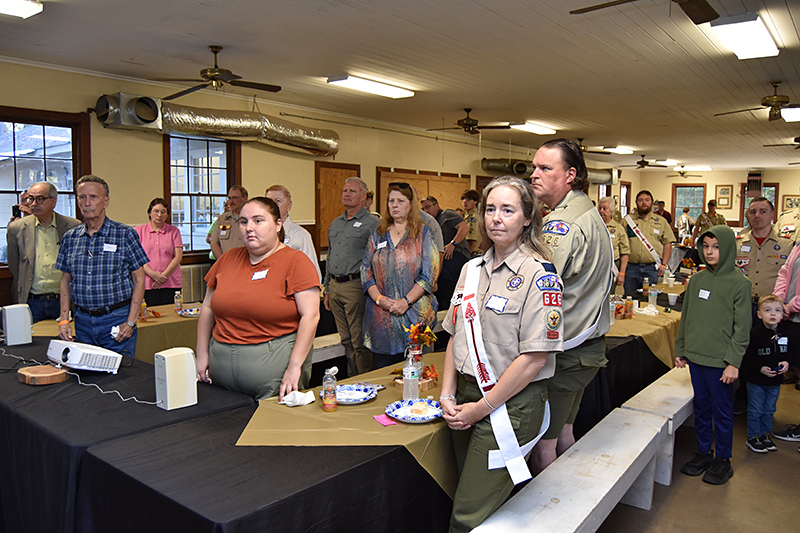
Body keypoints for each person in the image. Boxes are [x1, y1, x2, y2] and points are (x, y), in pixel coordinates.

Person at [439, 176, 563, 533]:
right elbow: (454, 337)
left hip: (511, 404)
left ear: (527, 217)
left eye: (508, 210)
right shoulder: (470, 270)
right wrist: (447, 393)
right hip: (464, 397)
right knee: (483, 501)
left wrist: (482, 407)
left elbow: (534, 359)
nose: (496, 218)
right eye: (490, 209)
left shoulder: (540, 276)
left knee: (467, 516)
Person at [528, 138, 614, 474]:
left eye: (545, 168)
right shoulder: (587, 211)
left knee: (543, 444)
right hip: (585, 348)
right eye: (534, 167)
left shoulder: (561, 226)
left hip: (567, 353)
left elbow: (539, 290)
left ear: (570, 175)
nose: (534, 174)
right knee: (564, 432)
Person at [195, 197, 320, 401]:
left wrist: (294, 366)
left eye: (258, 221)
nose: (249, 228)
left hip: (272, 378)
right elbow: (207, 308)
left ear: (278, 225)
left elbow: (311, 316)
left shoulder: (296, 262)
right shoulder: (227, 259)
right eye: (244, 222)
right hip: (220, 377)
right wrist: (201, 354)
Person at [675, 225, 751, 485]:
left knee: (723, 411)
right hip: (696, 358)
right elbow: (687, 318)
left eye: (716, 247)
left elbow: (742, 329)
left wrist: (733, 362)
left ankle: (723, 459)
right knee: (702, 409)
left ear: (728, 248)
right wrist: (681, 349)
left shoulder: (740, 284)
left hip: (721, 363)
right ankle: (704, 452)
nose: (709, 252)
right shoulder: (697, 279)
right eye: (705, 246)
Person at [55, 175, 149, 356]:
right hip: (83, 322)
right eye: (82, 197)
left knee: (120, 378)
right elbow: (66, 280)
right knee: (86, 377)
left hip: (116, 321)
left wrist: (131, 322)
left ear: (105, 201)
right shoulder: (70, 238)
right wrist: (64, 320)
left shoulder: (125, 235)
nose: (87, 203)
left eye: (93, 197)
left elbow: (139, 279)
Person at [361, 182, 439, 368]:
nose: (394, 205)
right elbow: (365, 269)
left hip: (414, 318)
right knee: (384, 373)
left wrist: (405, 302)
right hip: (381, 319)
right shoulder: (378, 234)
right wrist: (379, 299)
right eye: (391, 201)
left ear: (411, 205)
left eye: (400, 201)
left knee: (417, 374)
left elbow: (429, 275)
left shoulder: (423, 233)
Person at [324, 177, 380, 377]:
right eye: (344, 190)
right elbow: (330, 256)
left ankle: (365, 380)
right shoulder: (336, 223)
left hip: (356, 286)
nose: (346, 194)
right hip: (336, 285)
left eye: (352, 191)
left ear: (363, 196)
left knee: (359, 341)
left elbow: (378, 260)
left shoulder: (373, 224)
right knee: (346, 340)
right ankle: (351, 379)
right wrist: (327, 289)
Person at [6, 181, 80, 322]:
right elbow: (14, 264)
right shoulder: (16, 228)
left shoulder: (72, 226)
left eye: (40, 199)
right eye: (31, 199)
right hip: (32, 300)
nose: (34, 204)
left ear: (53, 201)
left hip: (63, 300)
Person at [740, 295, 790, 453]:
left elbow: (788, 353)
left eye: (777, 311)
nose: (773, 314)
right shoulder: (754, 334)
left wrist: (786, 363)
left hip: (775, 382)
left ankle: (764, 435)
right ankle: (753, 437)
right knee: (755, 410)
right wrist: (760, 368)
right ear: (759, 314)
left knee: (769, 409)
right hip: (756, 381)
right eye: (767, 310)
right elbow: (747, 358)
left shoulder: (784, 335)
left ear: (783, 314)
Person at [736, 197, 793, 312]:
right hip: (743, 305)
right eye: (753, 212)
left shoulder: (787, 245)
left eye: (763, 211)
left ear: (772, 215)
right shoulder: (737, 244)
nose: (757, 215)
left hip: (773, 308)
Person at [770, 235, 800, 445]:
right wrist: (779, 301)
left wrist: (791, 306)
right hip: (792, 319)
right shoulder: (798, 245)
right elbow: (784, 273)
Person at [421, 195, 470, 308]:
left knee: (443, 275)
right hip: (443, 256)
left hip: (457, 254)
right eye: (423, 209)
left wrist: (453, 244)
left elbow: (464, 228)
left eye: (428, 207)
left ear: (437, 205)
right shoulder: (431, 222)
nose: (426, 211)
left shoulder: (447, 214)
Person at [265, 184, 322, 283]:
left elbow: (314, 273)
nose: (273, 205)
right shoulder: (261, 234)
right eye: (269, 202)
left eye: (278, 201)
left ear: (289, 205)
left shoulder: (301, 235)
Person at [623, 190, 675, 296]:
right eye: (640, 200)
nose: (644, 203)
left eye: (647, 200)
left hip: (652, 268)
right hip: (631, 267)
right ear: (636, 202)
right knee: (629, 298)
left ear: (651, 202)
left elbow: (668, 243)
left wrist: (664, 264)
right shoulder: (627, 220)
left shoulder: (661, 221)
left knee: (650, 299)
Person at [135, 198, 183, 306]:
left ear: (167, 214)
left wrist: (162, 276)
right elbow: (137, 257)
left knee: (171, 316)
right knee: (149, 316)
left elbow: (178, 256)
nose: (159, 215)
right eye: (156, 211)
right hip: (147, 282)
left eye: (163, 212)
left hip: (171, 281)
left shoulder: (174, 231)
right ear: (149, 213)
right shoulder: (139, 230)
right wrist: (153, 275)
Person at [598, 196, 629, 288]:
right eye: (599, 208)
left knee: (609, 294)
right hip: (595, 265)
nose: (601, 211)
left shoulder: (619, 228)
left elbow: (625, 252)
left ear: (611, 211)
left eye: (605, 209)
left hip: (612, 265)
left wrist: (622, 273)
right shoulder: (593, 226)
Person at [210, 185, 248, 258]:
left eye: (235, 198)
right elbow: (214, 242)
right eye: (229, 198)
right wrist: (222, 261)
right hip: (226, 263)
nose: (231, 201)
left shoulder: (250, 218)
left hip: (246, 263)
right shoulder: (222, 219)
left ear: (245, 199)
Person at [461, 189, 481, 255]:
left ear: (476, 201)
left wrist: (466, 257)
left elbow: (471, 240)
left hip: (471, 253)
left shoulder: (472, 218)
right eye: (463, 199)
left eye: (469, 199)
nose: (464, 201)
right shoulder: (467, 216)